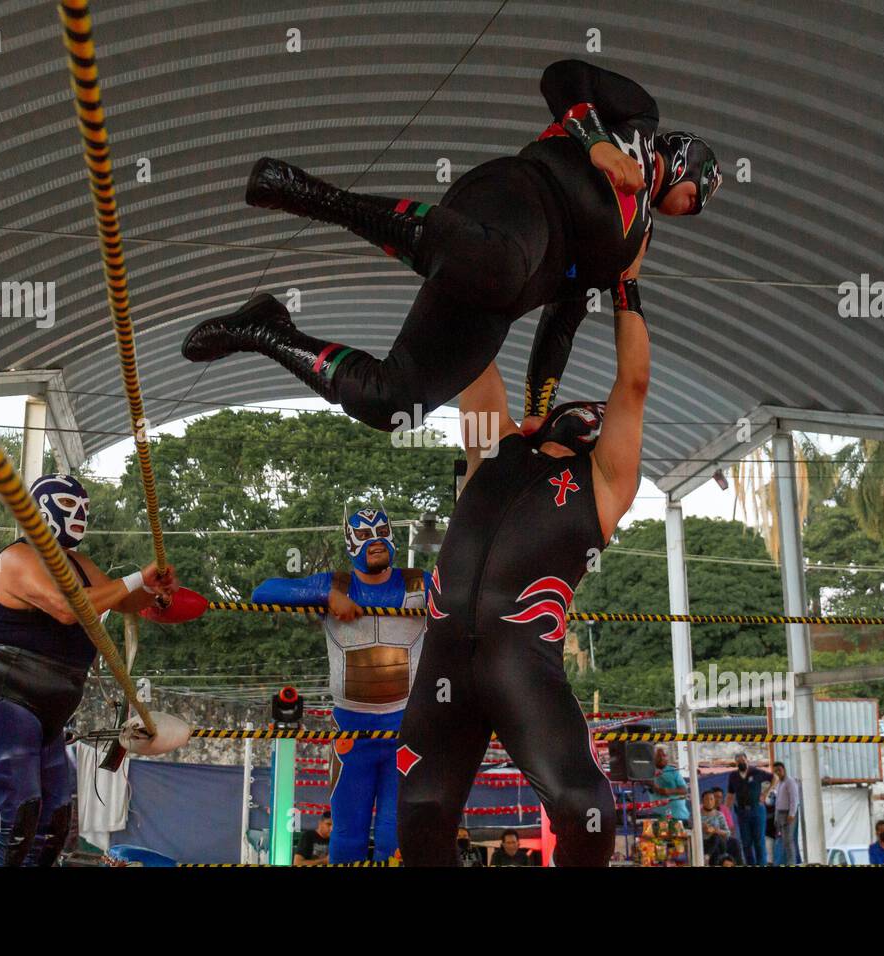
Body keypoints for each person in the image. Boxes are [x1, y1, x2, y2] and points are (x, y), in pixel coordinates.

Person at [181, 59, 719, 433]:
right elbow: (562, 77)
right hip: (515, 199)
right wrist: (598, 143)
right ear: (691, 161)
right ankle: (310, 195)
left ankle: (264, 329)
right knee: (500, 266)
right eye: (699, 195)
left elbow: (562, 321)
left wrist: (539, 409)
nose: (693, 208)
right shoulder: (639, 122)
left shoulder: (634, 242)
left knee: (396, 403)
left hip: (499, 292)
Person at [394, 277, 651, 867]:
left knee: (584, 808)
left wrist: (626, 288)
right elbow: (473, 354)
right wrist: (476, 270)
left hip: (521, 668)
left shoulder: (604, 484)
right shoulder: (496, 449)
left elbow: (632, 386)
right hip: (447, 665)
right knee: (422, 812)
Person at [0, 474, 176, 866]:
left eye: (83, 508)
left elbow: (120, 600)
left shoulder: (78, 563)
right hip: (10, 697)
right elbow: (69, 608)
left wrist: (152, 591)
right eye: (67, 507)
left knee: (53, 826)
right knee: (18, 816)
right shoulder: (18, 558)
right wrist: (135, 579)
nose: (78, 516)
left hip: (52, 709)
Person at [252, 504, 426, 863]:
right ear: (349, 542)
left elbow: (469, 593)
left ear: (392, 536)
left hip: (405, 725)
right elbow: (263, 593)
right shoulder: (333, 584)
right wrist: (325, 597)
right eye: (363, 535)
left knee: (397, 834)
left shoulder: (419, 583)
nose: (374, 541)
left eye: (381, 532)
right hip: (351, 726)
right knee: (347, 832)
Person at [726, 753, 773, 866]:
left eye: (743, 760)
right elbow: (730, 795)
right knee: (746, 843)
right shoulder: (733, 776)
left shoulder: (756, 772)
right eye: (738, 761)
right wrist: (725, 812)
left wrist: (766, 793)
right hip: (742, 812)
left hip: (757, 810)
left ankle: (761, 864)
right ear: (736, 763)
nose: (741, 762)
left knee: (759, 841)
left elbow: (774, 778)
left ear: (747, 760)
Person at [648, 747, 690, 824]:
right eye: (658, 756)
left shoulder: (673, 771)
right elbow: (657, 789)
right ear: (653, 757)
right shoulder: (648, 771)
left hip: (680, 816)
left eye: (664, 755)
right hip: (660, 816)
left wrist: (668, 791)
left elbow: (684, 790)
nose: (661, 758)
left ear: (667, 757)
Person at [770, 762, 800, 866]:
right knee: (783, 841)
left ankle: (791, 863)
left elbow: (794, 799)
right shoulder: (779, 783)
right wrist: (776, 817)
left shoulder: (790, 782)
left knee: (789, 840)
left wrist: (792, 814)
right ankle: (786, 862)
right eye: (775, 771)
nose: (778, 772)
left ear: (784, 769)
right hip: (779, 814)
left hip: (788, 814)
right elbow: (777, 801)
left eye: (779, 770)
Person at [699, 791, 735, 862]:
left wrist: (716, 830)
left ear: (714, 801)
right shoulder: (697, 814)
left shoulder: (719, 815)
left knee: (716, 837)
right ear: (702, 801)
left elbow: (727, 833)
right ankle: (709, 857)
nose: (709, 802)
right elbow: (690, 827)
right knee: (715, 851)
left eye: (711, 799)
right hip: (702, 842)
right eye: (706, 799)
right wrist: (701, 828)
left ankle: (707, 856)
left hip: (718, 842)